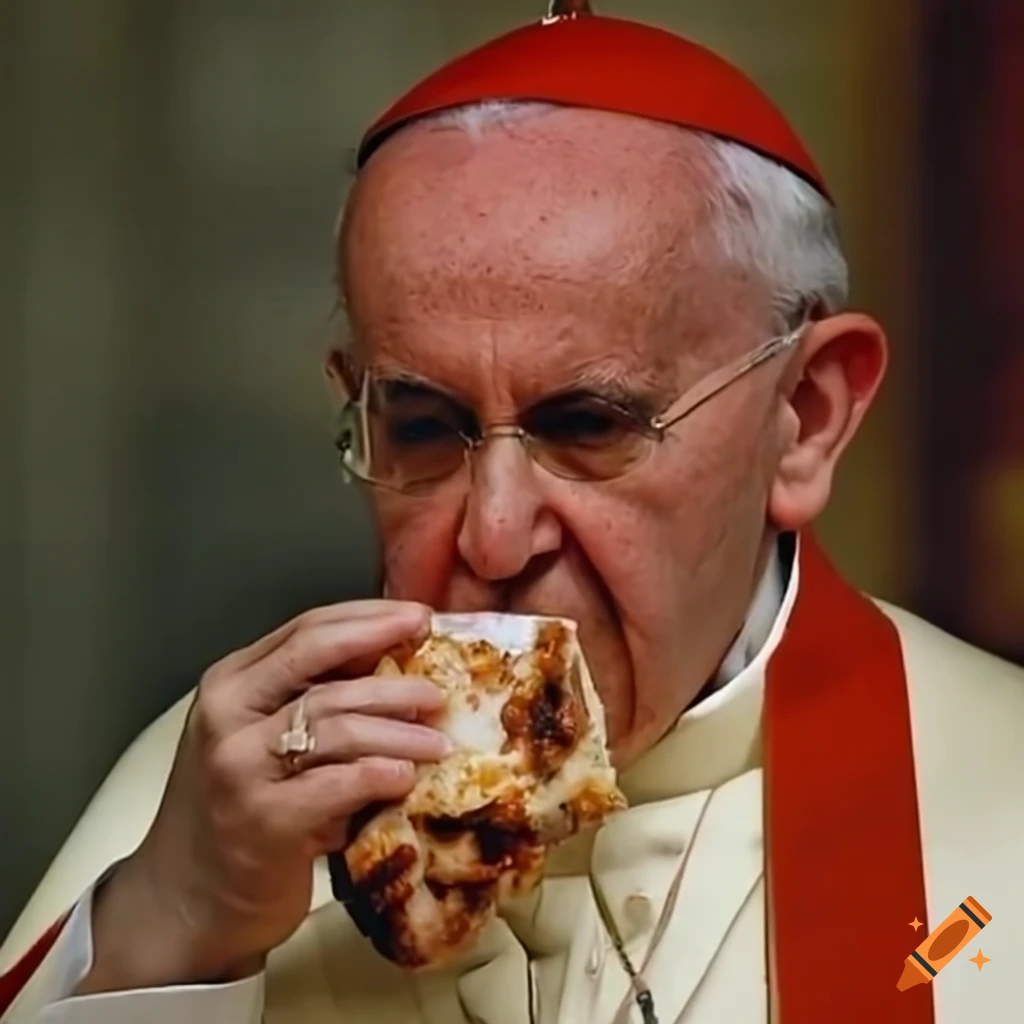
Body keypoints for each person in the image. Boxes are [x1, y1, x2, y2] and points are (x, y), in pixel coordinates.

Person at [2, 4, 1022, 1023]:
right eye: (424, 424)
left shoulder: (996, 802)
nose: (491, 539)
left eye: (587, 423)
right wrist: (174, 922)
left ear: (804, 419)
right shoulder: (219, 798)